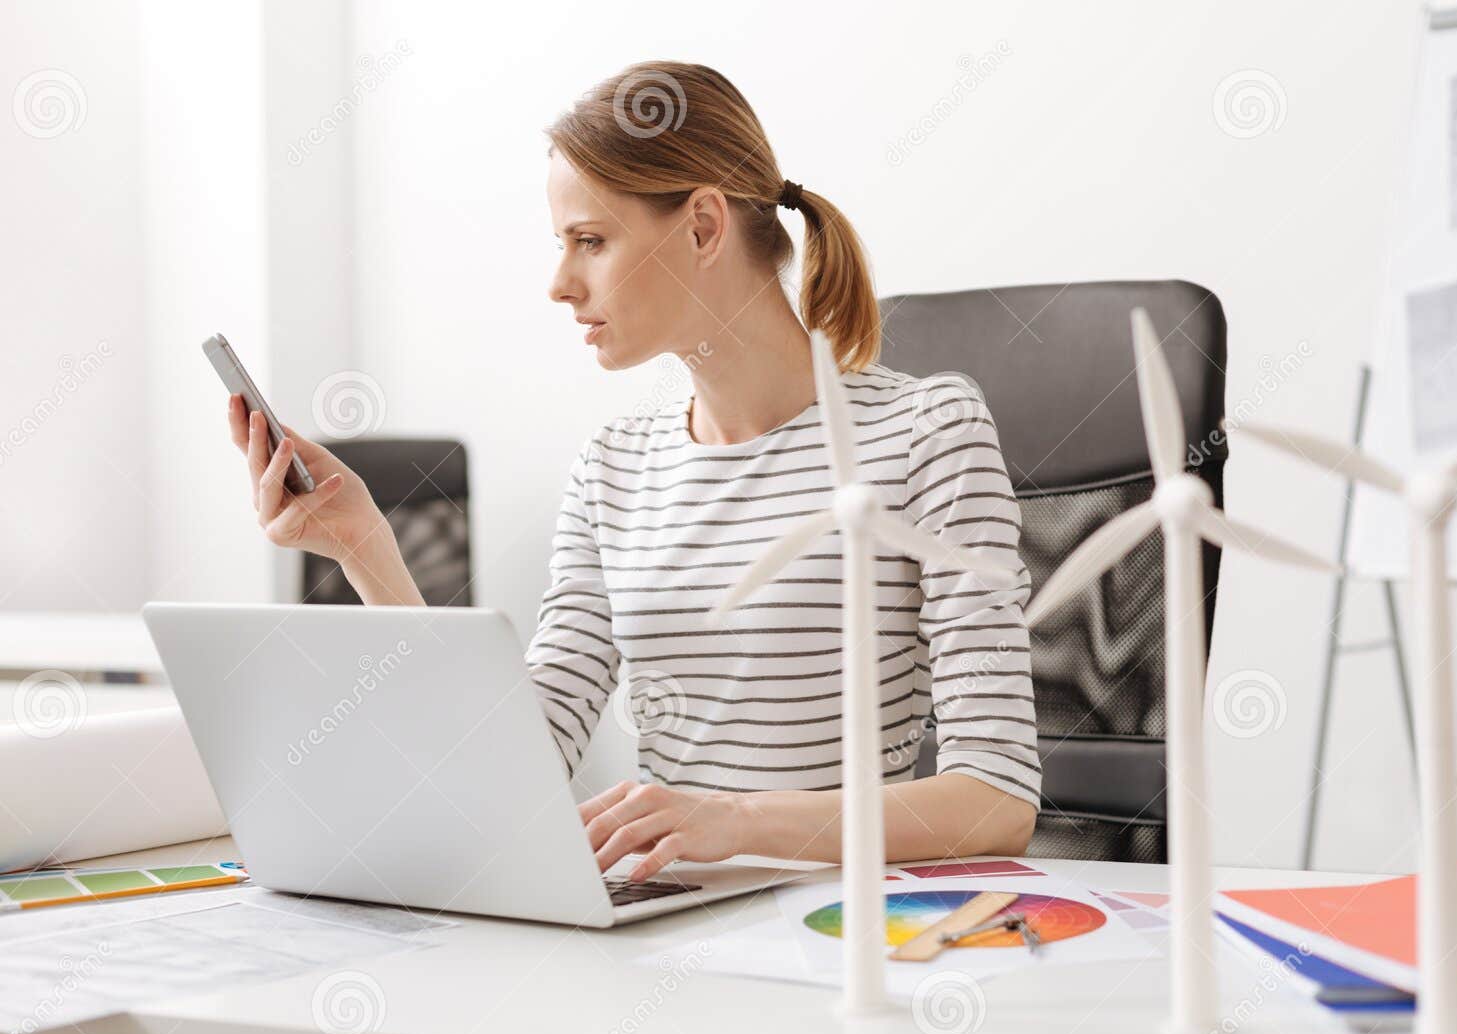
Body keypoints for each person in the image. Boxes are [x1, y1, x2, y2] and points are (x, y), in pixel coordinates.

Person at [227, 61, 1040, 884]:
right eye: (561, 245)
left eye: (591, 241)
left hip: (838, 930)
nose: (559, 283)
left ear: (702, 227)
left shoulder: (927, 431)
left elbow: (996, 801)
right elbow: (509, 767)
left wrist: (730, 822)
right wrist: (369, 549)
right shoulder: (613, 468)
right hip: (668, 926)